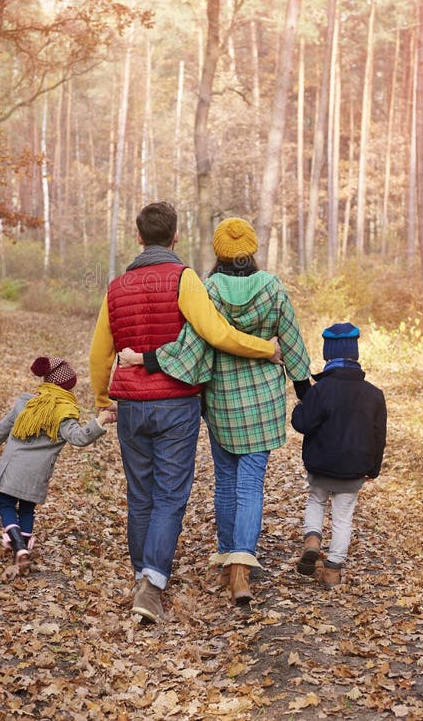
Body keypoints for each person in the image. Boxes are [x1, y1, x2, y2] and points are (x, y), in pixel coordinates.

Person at [89, 202, 281, 623]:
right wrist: (265, 348)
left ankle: (142, 573)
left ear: (138, 237)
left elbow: (99, 352)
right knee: (170, 496)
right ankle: (152, 584)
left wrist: (103, 399)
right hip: (175, 403)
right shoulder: (184, 278)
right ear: (175, 236)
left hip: (131, 406)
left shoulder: (116, 286)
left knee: (140, 494)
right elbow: (216, 333)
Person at [118, 216, 311, 606]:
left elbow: (190, 346)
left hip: (222, 400)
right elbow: (291, 340)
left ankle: (227, 559)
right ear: (251, 250)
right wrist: (306, 390)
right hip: (262, 403)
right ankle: (241, 567)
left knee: (225, 482)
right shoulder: (272, 287)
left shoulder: (209, 290)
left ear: (218, 252)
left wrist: (144, 359)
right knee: (250, 485)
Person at [0, 355, 112, 574]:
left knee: (6, 506)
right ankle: (22, 550)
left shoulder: (25, 403)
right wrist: (100, 420)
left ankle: (18, 546)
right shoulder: (64, 412)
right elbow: (79, 438)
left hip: (12, 467)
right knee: (27, 509)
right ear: (68, 387)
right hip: (37, 474)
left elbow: (3, 427)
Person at [291, 323, 387, 588]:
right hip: (354, 468)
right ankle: (333, 571)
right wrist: (374, 469)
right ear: (355, 353)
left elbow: (303, 423)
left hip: (321, 465)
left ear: (328, 354)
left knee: (316, 501)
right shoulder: (374, 394)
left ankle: (312, 540)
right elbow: (379, 435)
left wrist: (299, 407)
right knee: (343, 517)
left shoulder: (320, 390)